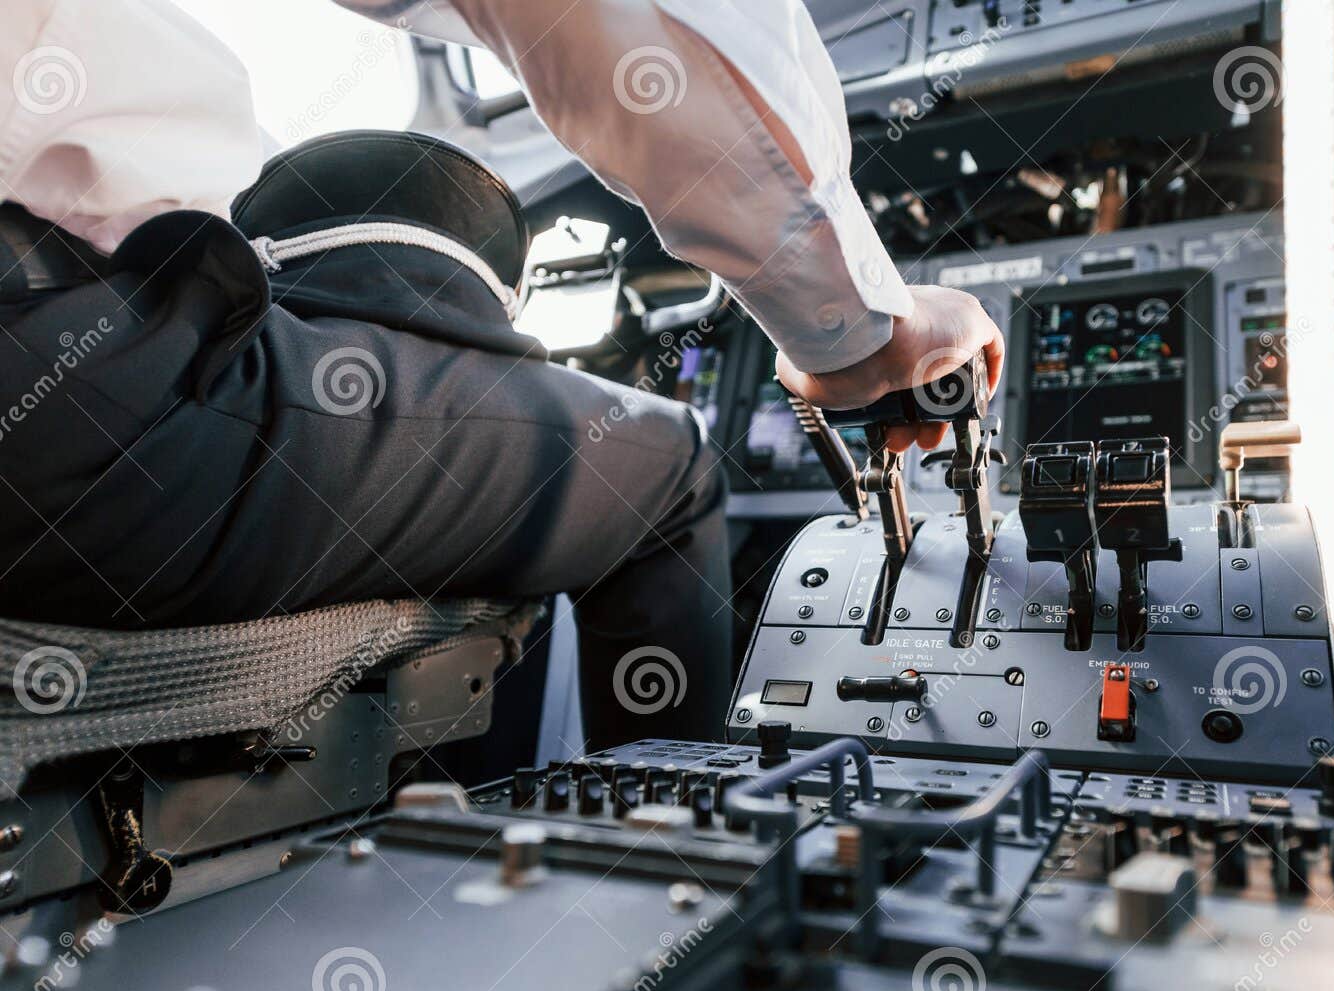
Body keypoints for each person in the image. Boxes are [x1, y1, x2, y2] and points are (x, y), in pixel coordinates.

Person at [0, 0, 1003, 743]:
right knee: (665, 463)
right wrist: (859, 328)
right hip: (70, 386)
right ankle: (666, 886)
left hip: (64, 358)